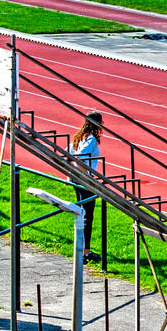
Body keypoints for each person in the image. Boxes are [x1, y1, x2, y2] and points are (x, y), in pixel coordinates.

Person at [69, 111, 104, 264]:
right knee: (87, 216)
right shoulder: (90, 140)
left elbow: (70, 155)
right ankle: (85, 252)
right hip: (84, 181)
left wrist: (70, 174)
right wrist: (87, 176)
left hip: (76, 179)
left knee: (82, 213)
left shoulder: (78, 137)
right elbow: (79, 158)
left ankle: (82, 250)